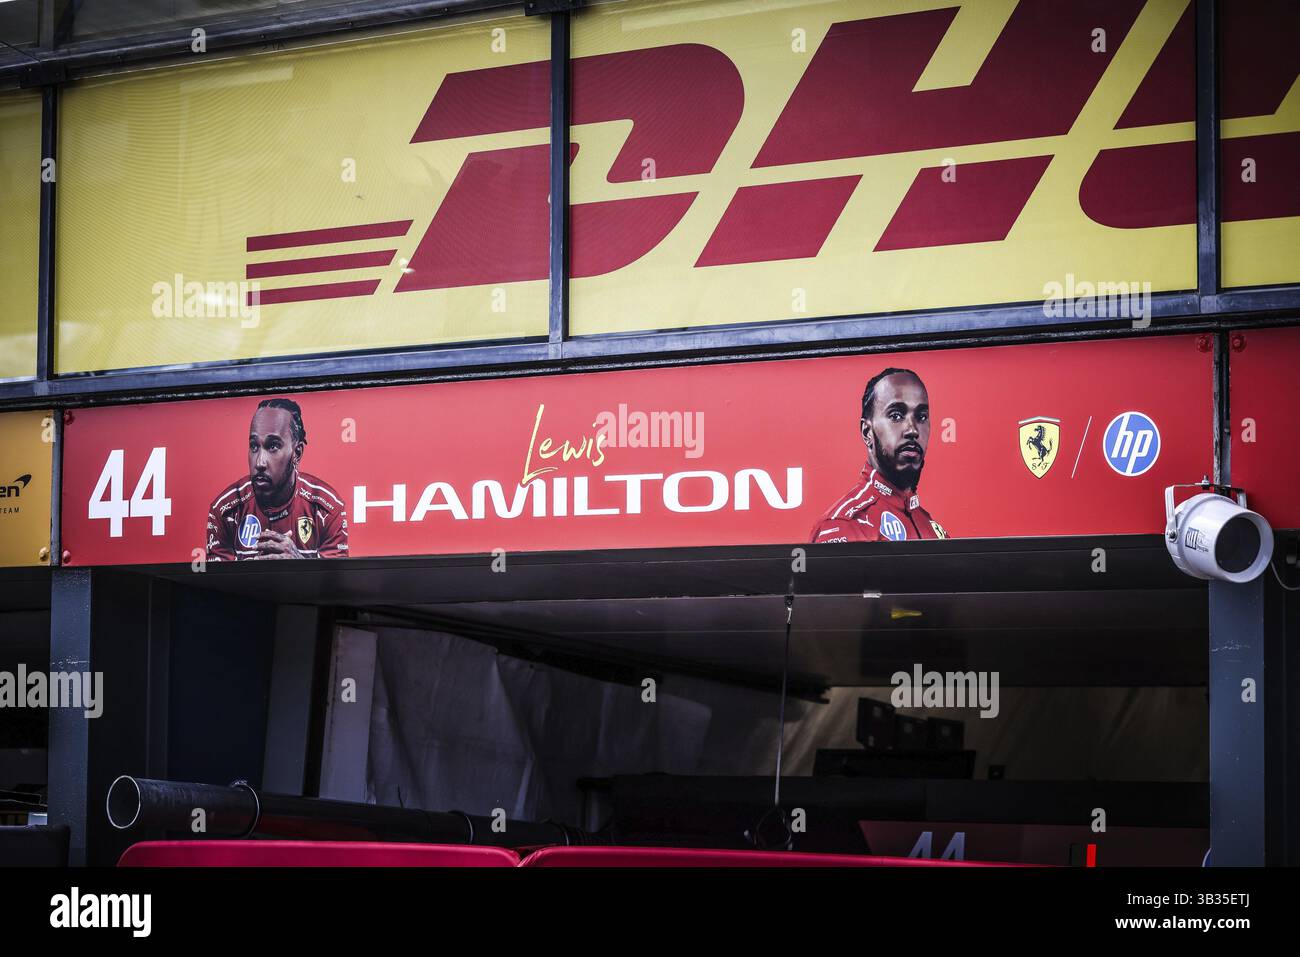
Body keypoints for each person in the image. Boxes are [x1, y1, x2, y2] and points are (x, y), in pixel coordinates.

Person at [810, 367, 948, 543]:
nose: (913, 430)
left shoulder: (932, 527)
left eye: (921, 416)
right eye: (896, 415)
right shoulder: (844, 525)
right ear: (867, 432)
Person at [206, 398, 348, 560]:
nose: (259, 462)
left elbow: (336, 583)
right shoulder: (225, 510)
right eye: (254, 446)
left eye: (273, 446)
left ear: (297, 453)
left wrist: (299, 565)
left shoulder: (326, 508)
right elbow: (215, 584)